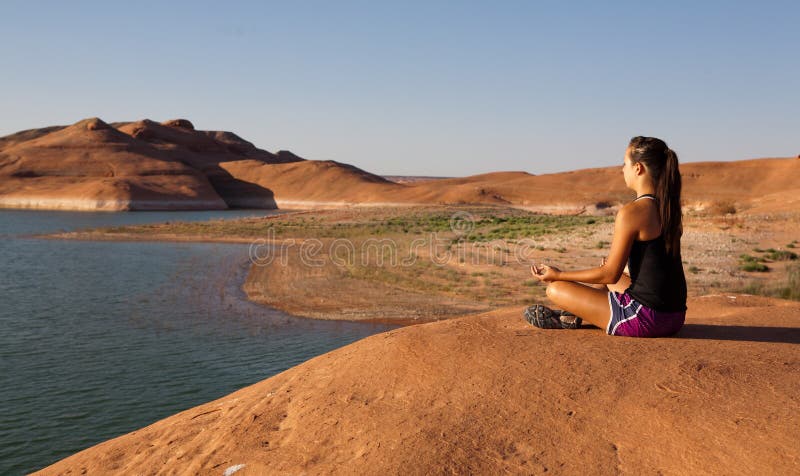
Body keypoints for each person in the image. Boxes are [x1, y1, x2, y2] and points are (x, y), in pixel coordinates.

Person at [524, 136, 687, 337]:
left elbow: (610, 275)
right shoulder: (668, 208)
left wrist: (558, 275)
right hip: (675, 317)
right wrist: (620, 267)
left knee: (556, 289)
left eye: (624, 163)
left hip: (646, 319)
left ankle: (580, 314)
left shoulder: (633, 212)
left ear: (638, 168)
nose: (622, 170)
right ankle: (574, 316)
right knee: (608, 273)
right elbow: (658, 264)